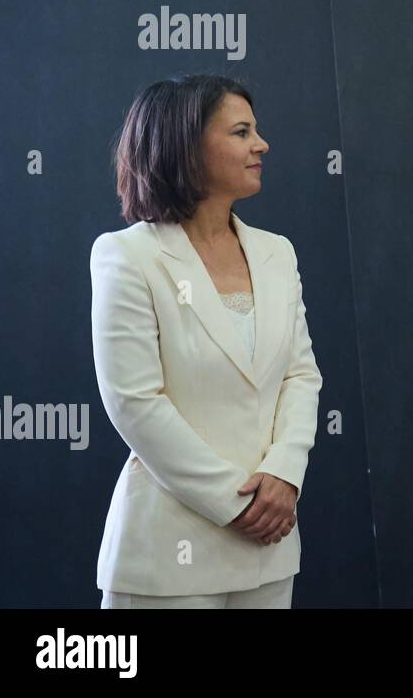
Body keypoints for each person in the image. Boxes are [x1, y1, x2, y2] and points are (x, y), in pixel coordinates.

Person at [90, 73, 322, 608]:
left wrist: (284, 477)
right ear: (187, 149)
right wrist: (236, 504)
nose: (261, 144)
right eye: (241, 132)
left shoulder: (276, 252)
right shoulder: (128, 256)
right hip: (167, 555)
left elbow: (300, 375)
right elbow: (134, 402)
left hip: (269, 549)